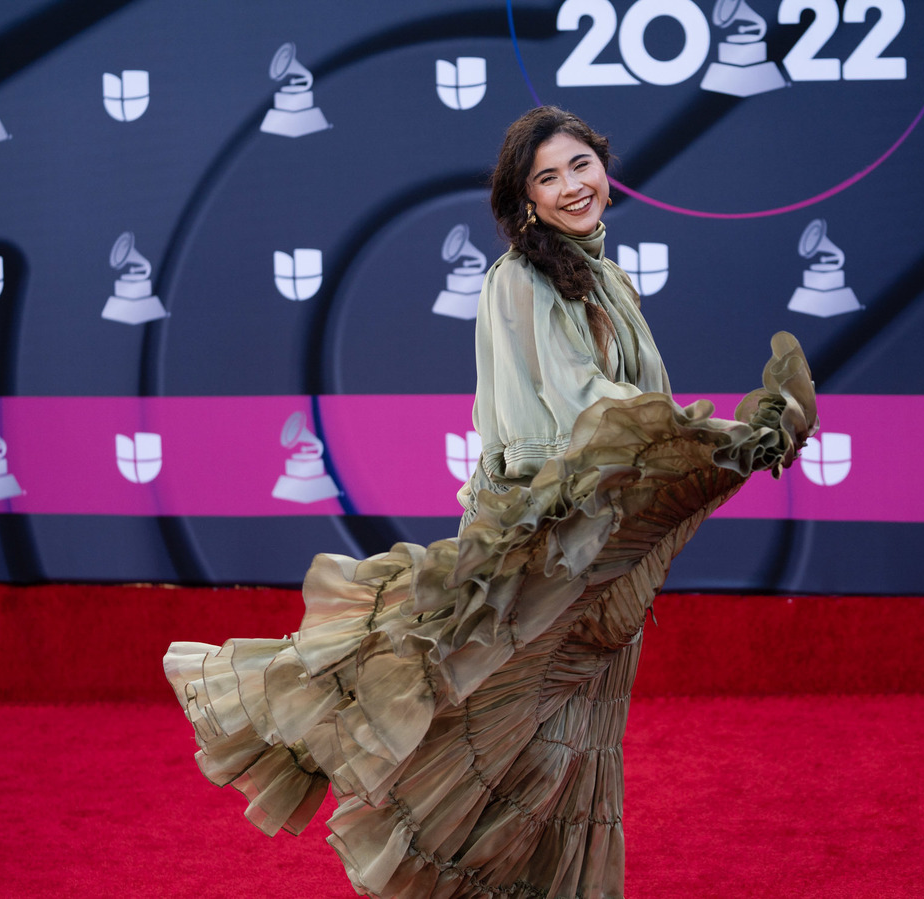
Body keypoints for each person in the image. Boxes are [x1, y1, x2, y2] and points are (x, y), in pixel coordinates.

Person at [165, 106, 816, 899]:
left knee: (574, 733)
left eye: (580, 164)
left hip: (604, 536)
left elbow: (634, 409)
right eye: (548, 177)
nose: (572, 186)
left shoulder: (608, 279)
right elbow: (582, 404)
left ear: (604, 168)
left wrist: (705, 443)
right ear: (525, 200)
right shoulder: (519, 279)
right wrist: (710, 434)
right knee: (491, 720)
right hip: (544, 538)